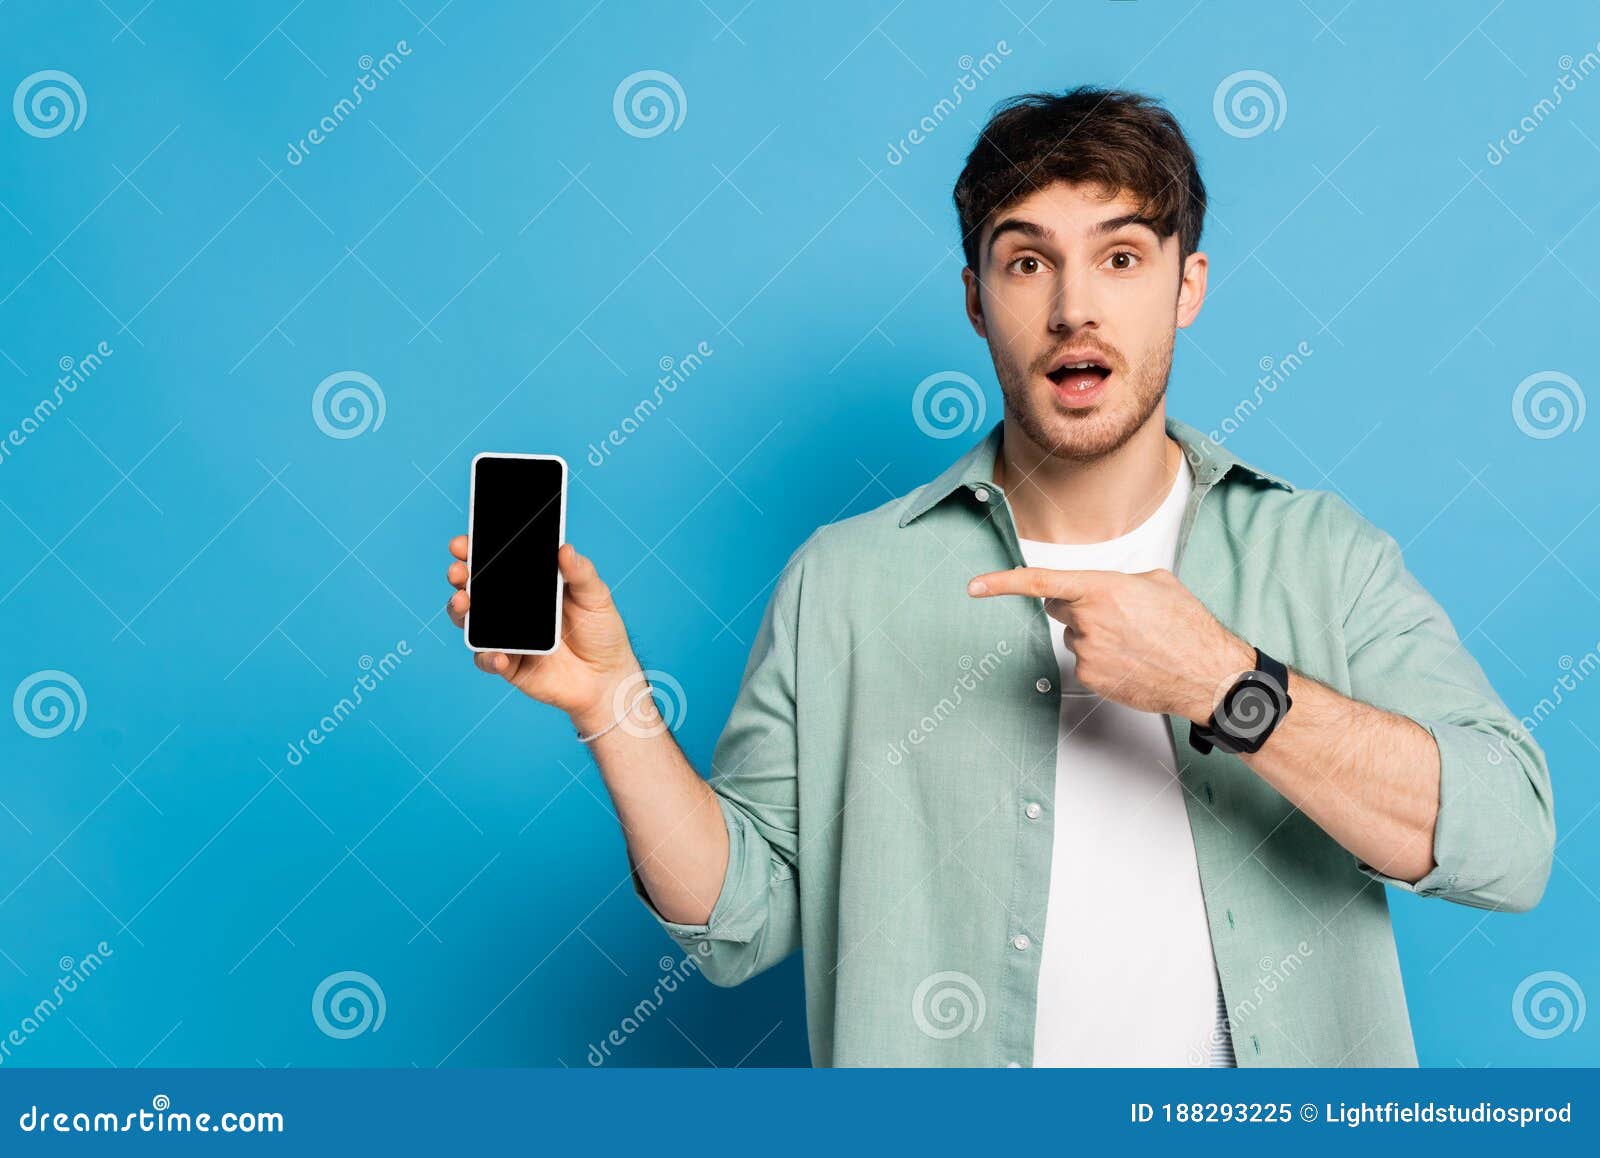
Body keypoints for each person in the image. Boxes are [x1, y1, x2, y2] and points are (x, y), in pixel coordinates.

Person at [443, 87, 1554, 1067]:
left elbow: (1507, 844)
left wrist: (1226, 684)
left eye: (1121, 258)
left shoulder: (1322, 555)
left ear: (1188, 286)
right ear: (977, 298)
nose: (1074, 308)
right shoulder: (844, 582)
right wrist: (612, 704)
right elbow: (741, 922)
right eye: (1028, 261)